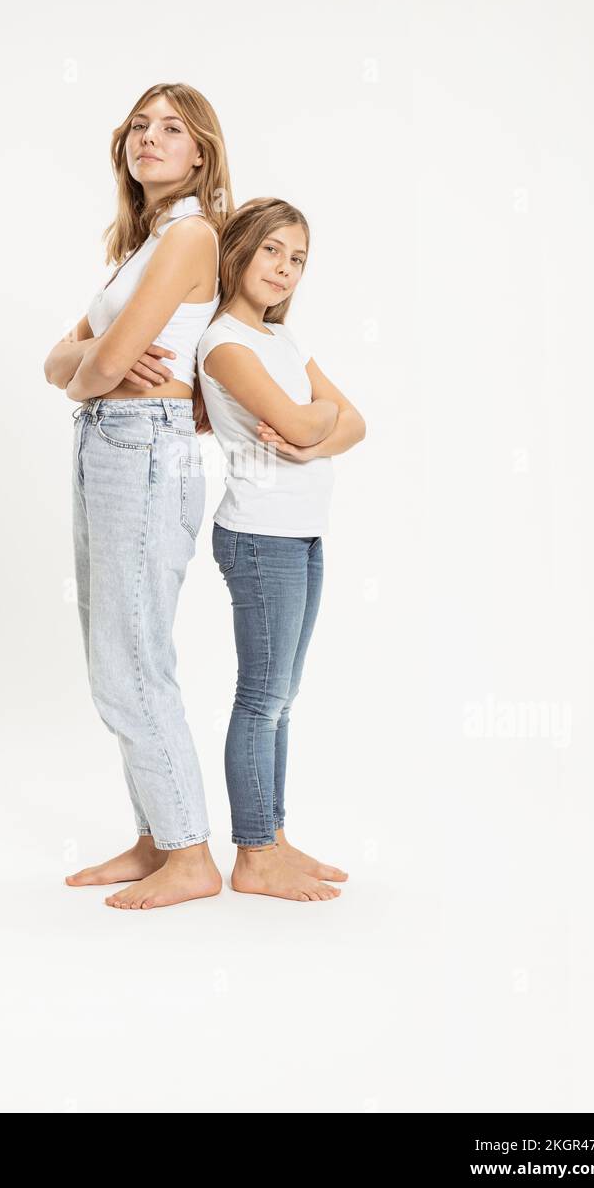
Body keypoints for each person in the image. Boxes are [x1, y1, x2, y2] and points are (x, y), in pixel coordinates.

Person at [44, 82, 233, 910]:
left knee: (131, 659)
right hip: (110, 441)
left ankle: (190, 854)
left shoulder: (190, 235)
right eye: (139, 126)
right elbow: (59, 362)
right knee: (111, 653)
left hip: (144, 446)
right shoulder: (142, 246)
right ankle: (157, 836)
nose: (149, 138)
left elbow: (99, 364)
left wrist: (92, 369)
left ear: (201, 154)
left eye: (172, 129)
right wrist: (90, 368)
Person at [197, 198, 366, 902]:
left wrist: (313, 434)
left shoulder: (283, 341)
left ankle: (273, 834)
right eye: (272, 250)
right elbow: (310, 419)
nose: (285, 268)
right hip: (260, 535)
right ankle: (254, 854)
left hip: (302, 530)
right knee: (261, 698)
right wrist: (316, 423)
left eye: (297, 258)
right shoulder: (225, 344)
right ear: (239, 249)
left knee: (283, 701)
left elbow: (356, 423)